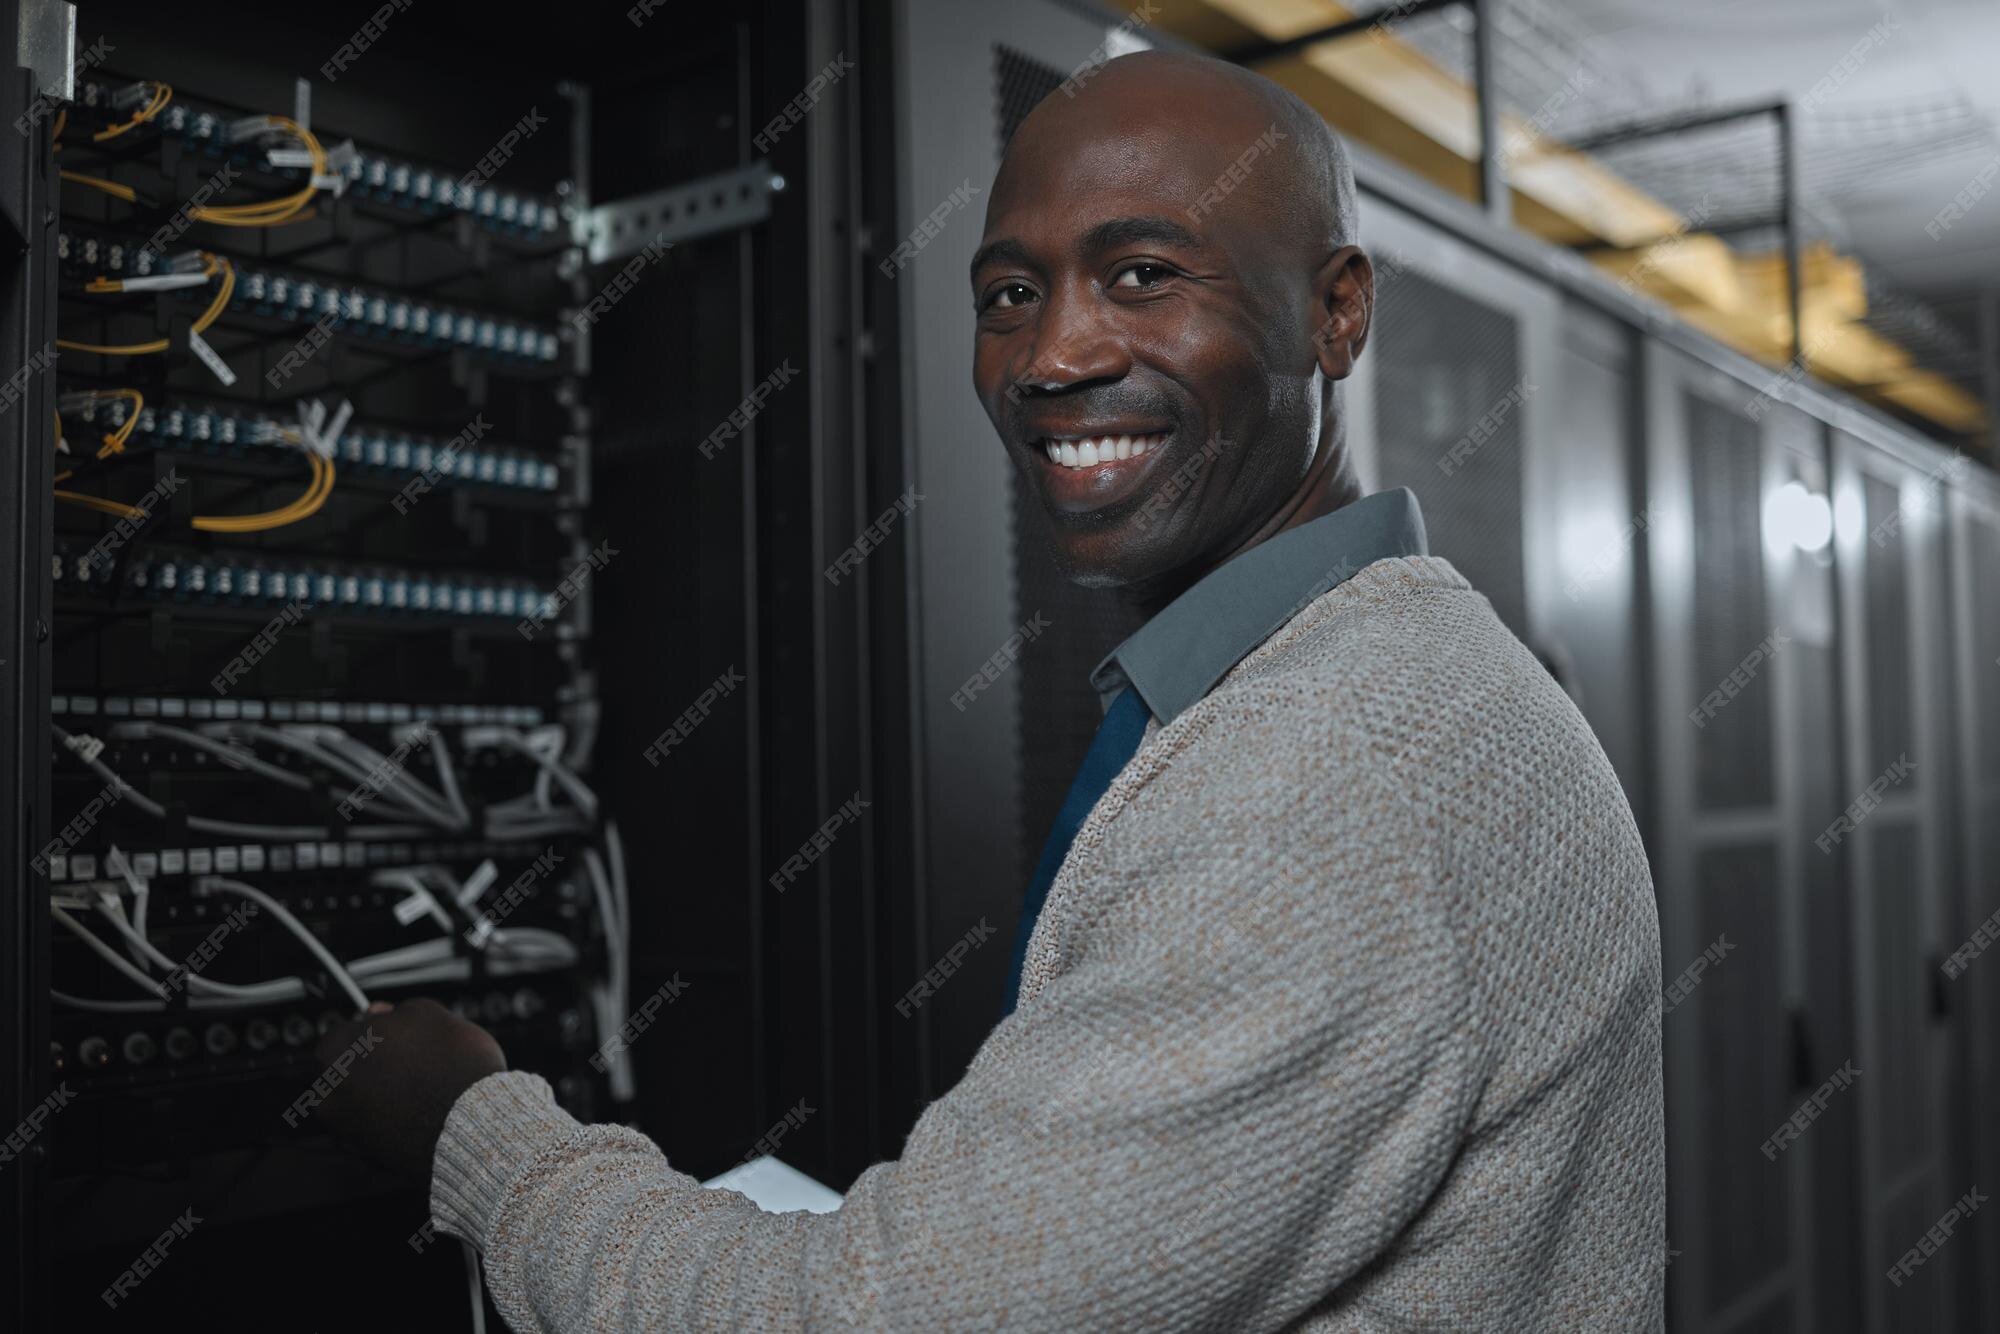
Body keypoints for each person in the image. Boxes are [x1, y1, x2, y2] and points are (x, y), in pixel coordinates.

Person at [318, 48, 1664, 1331]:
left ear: (1337, 310)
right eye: (1010, 293)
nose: (1051, 357)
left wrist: (479, 1137)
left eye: (1143, 273)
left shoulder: (1329, 771)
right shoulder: (1384, 669)